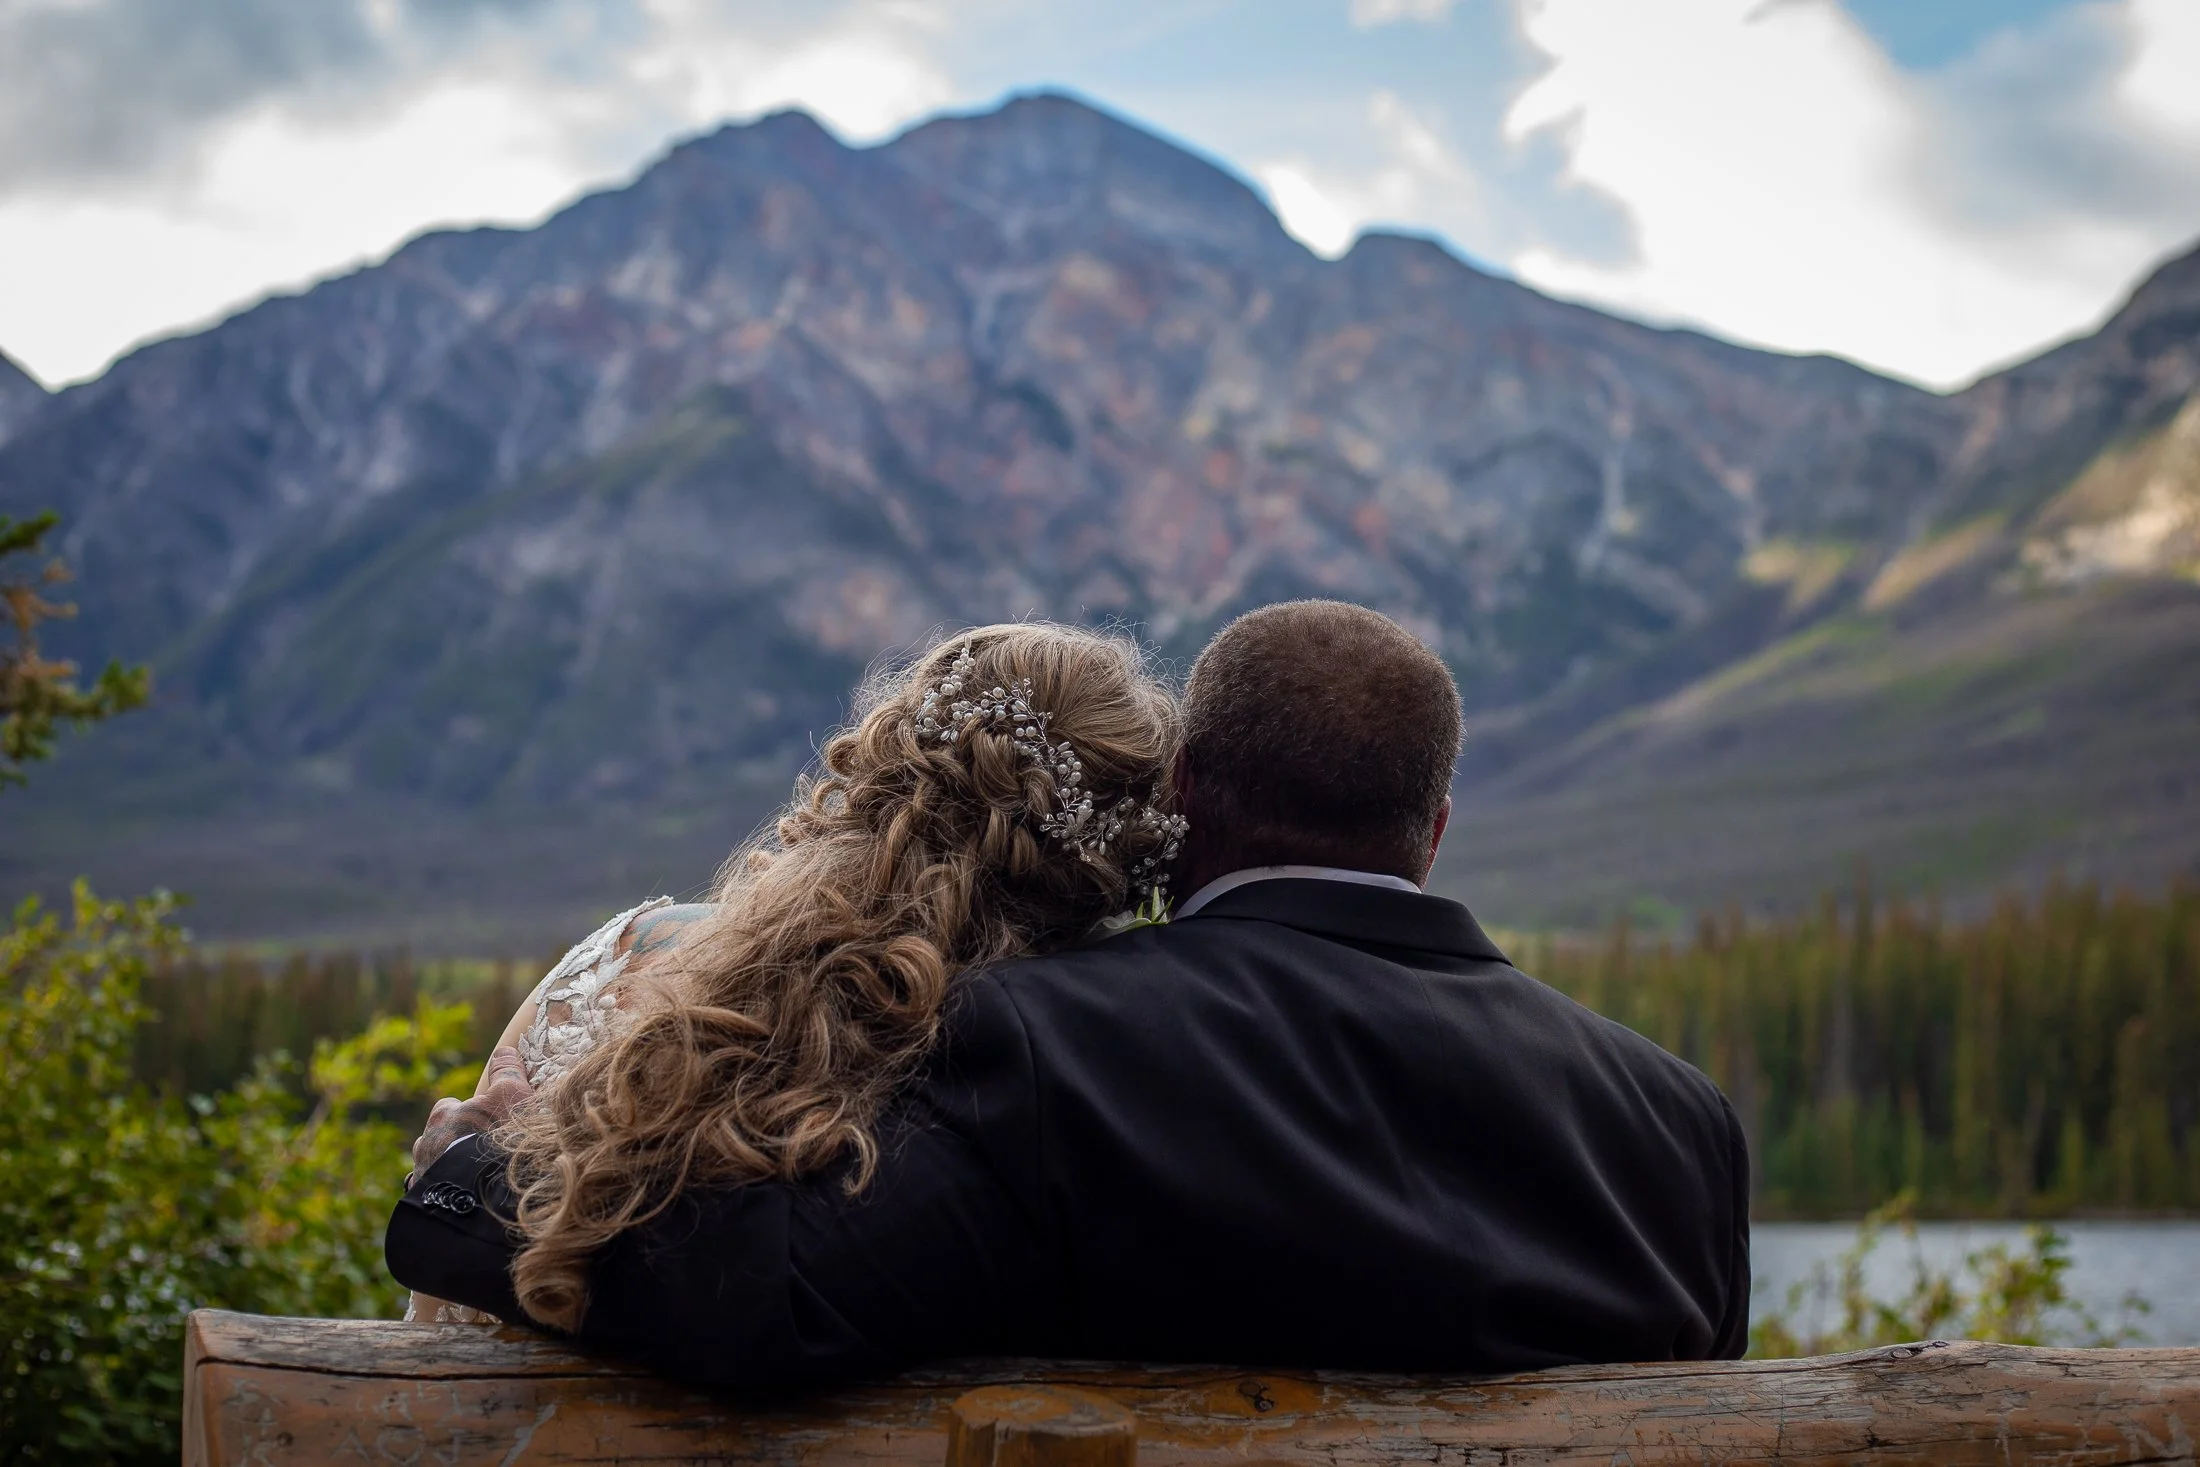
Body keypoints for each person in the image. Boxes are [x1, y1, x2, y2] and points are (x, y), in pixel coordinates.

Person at [388, 601, 1750, 1387]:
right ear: (1435, 827)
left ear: (1188, 799)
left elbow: (767, 1302)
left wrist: (473, 1172)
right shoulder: (1683, 1130)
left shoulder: (1052, 1047)